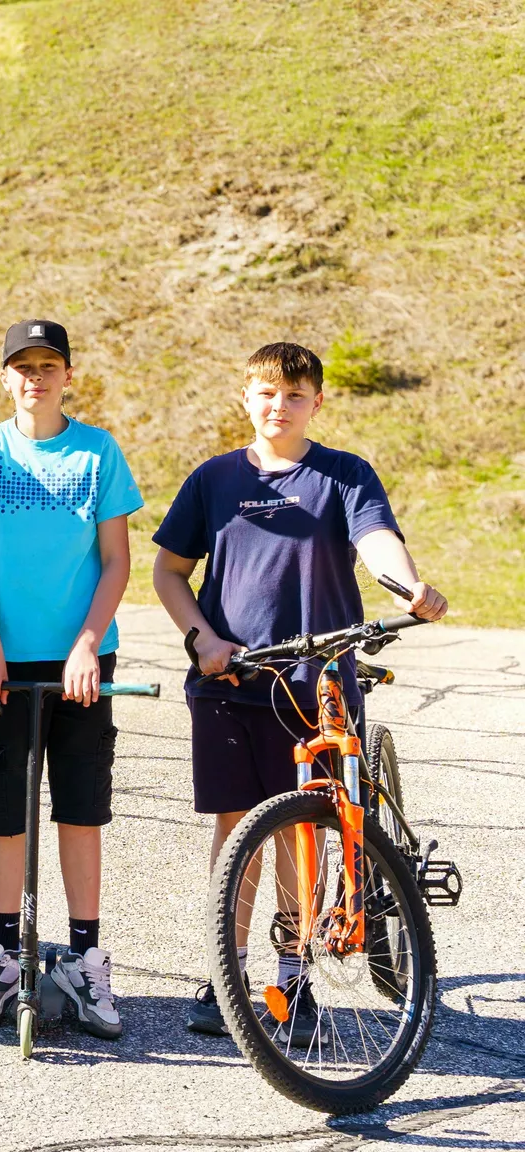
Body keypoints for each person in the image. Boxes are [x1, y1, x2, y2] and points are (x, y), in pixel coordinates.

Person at [150, 341, 446, 1037]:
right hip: (232, 677)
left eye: (294, 395)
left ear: (317, 402)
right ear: (245, 397)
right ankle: (228, 970)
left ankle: (292, 978)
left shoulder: (343, 474)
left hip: (318, 682)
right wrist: (203, 639)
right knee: (235, 828)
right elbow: (168, 572)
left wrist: (409, 586)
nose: (278, 406)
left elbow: (377, 543)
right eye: (265, 393)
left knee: (302, 829)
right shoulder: (213, 478)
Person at [0, 320, 143, 1041]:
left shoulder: (98, 451)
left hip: (83, 664)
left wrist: (87, 644)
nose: (36, 376)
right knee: (7, 812)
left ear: (68, 375)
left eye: (48, 365)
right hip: (7, 661)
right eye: (22, 365)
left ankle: (86, 958)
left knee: (80, 809)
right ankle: (3, 955)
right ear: (6, 377)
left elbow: (116, 560)